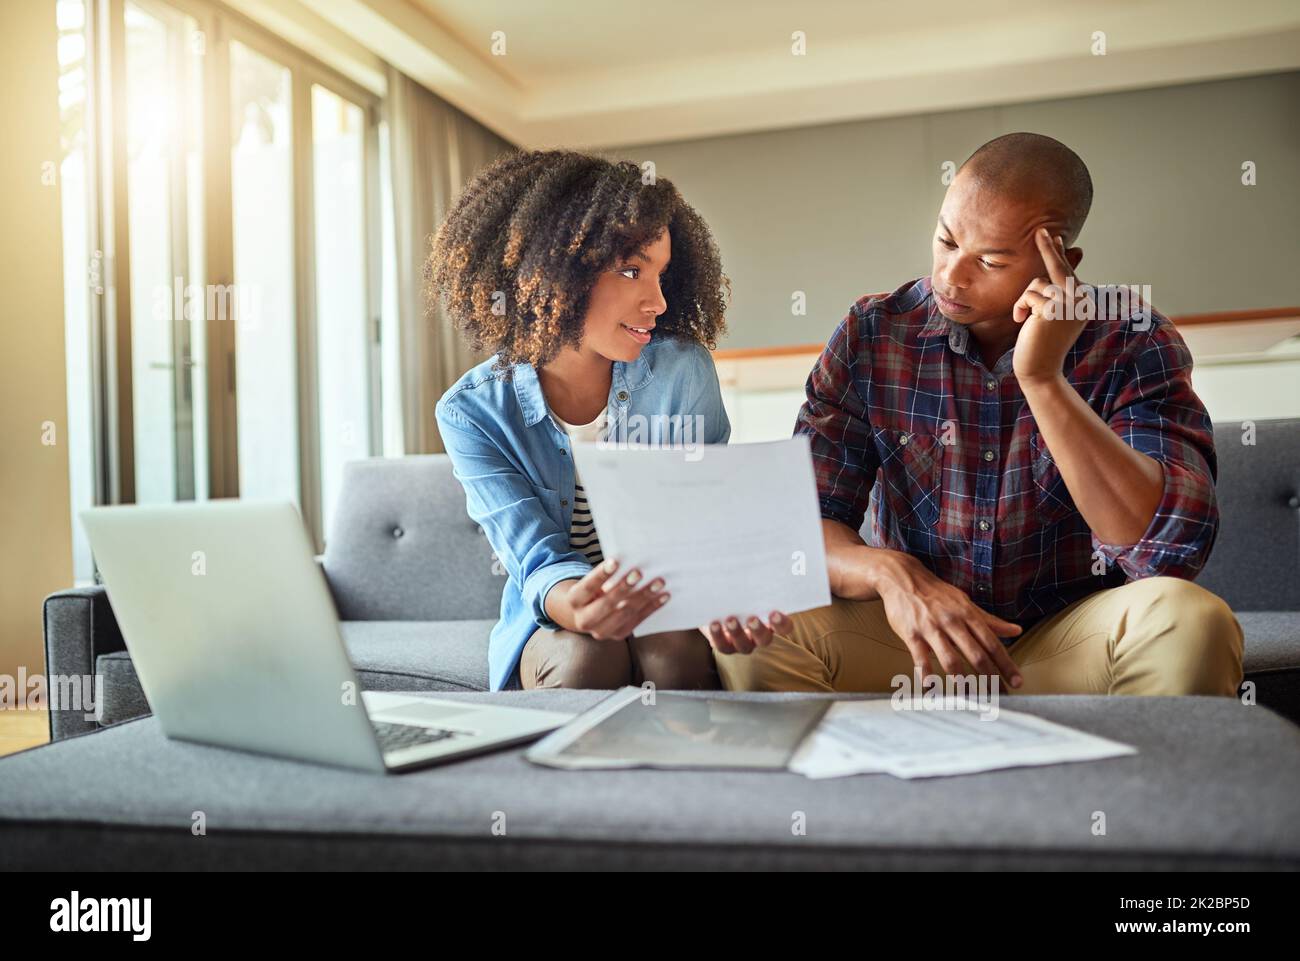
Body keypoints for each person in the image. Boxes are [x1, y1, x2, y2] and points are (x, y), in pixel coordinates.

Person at [715, 132, 1243, 697]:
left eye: (990, 260)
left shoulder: (1132, 338)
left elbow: (1167, 551)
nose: (952, 276)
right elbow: (801, 527)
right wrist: (896, 577)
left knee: (1191, 620)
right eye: (946, 241)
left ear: (1060, 260)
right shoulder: (874, 333)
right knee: (765, 627)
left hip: (1068, 645)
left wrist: (1042, 379)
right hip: (914, 642)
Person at [430, 150, 790, 692]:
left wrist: (723, 587)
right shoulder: (472, 412)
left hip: (671, 607)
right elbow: (533, 557)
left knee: (670, 648)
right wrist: (578, 605)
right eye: (631, 270)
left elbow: (706, 523)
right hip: (556, 620)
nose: (659, 302)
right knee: (586, 657)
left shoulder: (683, 372)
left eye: (662, 274)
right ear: (551, 270)